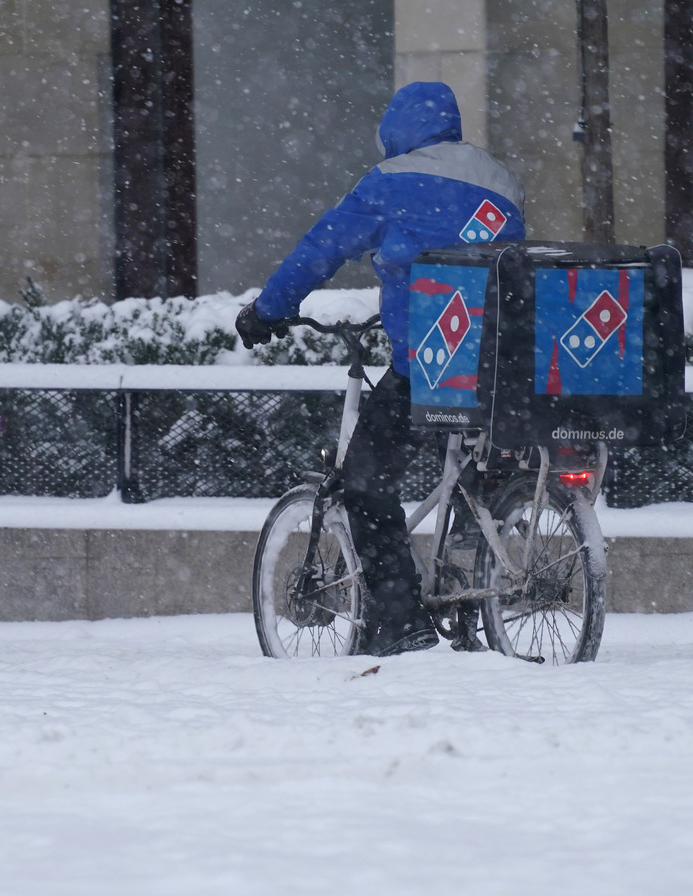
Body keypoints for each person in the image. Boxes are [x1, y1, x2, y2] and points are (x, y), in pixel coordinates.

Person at [236, 81, 527, 657]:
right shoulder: (501, 180)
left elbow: (321, 248)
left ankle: (401, 622)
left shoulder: (388, 183)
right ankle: (471, 594)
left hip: (434, 360)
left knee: (366, 484)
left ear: (395, 131)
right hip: (505, 363)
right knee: (470, 464)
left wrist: (269, 310)